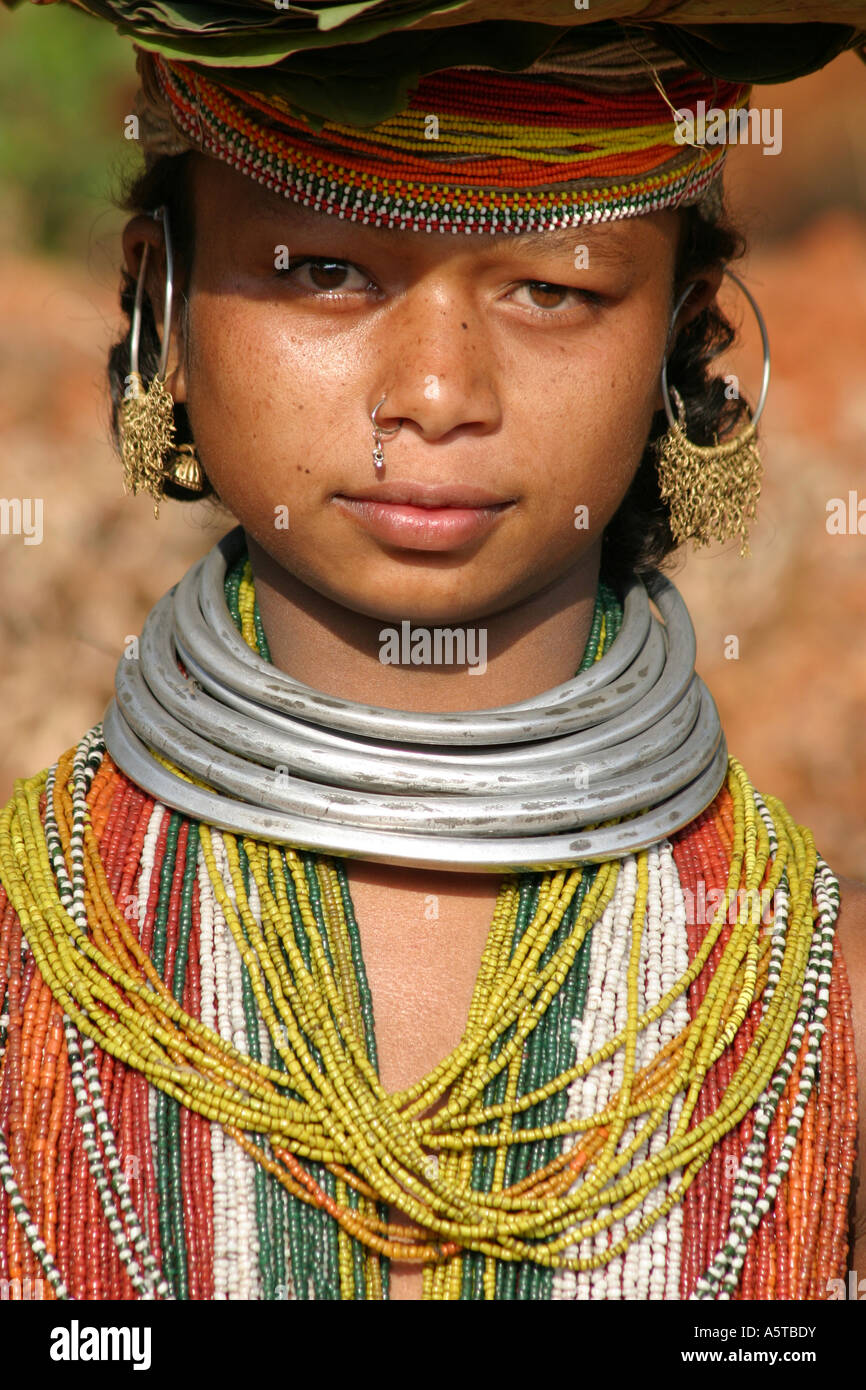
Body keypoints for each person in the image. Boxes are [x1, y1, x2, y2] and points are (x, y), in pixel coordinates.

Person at [0, 4, 864, 1302]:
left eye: (554, 289)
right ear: (161, 299)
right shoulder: (30, 959)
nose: (438, 391)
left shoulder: (813, 1008)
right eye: (322, 270)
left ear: (684, 336)